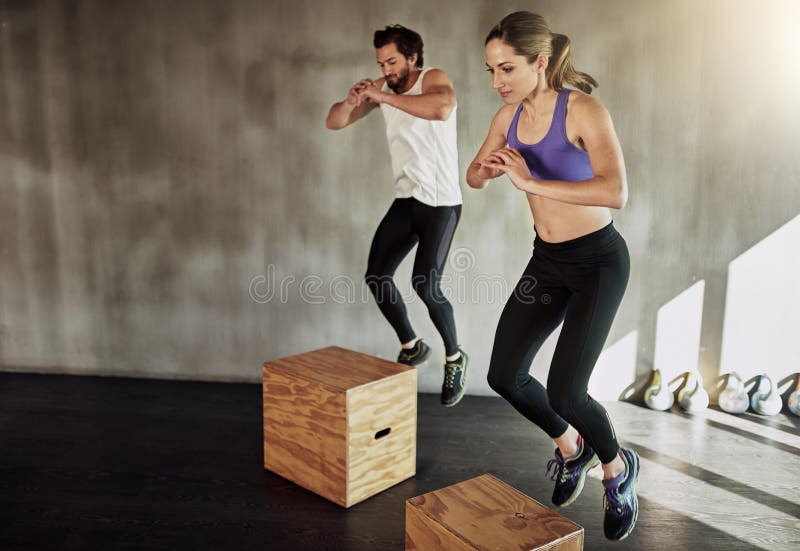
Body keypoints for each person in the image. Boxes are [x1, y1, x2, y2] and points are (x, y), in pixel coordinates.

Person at [466, 11, 639, 540]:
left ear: (539, 62)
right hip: (548, 261)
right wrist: (487, 170)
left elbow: (615, 191)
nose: (498, 82)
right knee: (504, 376)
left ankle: (617, 468)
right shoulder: (508, 116)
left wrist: (530, 181)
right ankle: (571, 446)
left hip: (598, 262)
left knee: (568, 393)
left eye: (507, 69)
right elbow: (473, 176)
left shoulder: (583, 110)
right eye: (492, 70)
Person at [325, 25, 468, 407]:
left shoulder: (432, 78)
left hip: (440, 203)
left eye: (392, 61)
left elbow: (441, 108)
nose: (386, 70)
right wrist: (352, 100)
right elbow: (333, 121)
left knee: (426, 285)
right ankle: (412, 345)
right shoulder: (383, 87)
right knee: (376, 275)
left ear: (412, 57)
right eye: (381, 64)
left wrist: (383, 97)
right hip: (407, 200)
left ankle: (455, 357)